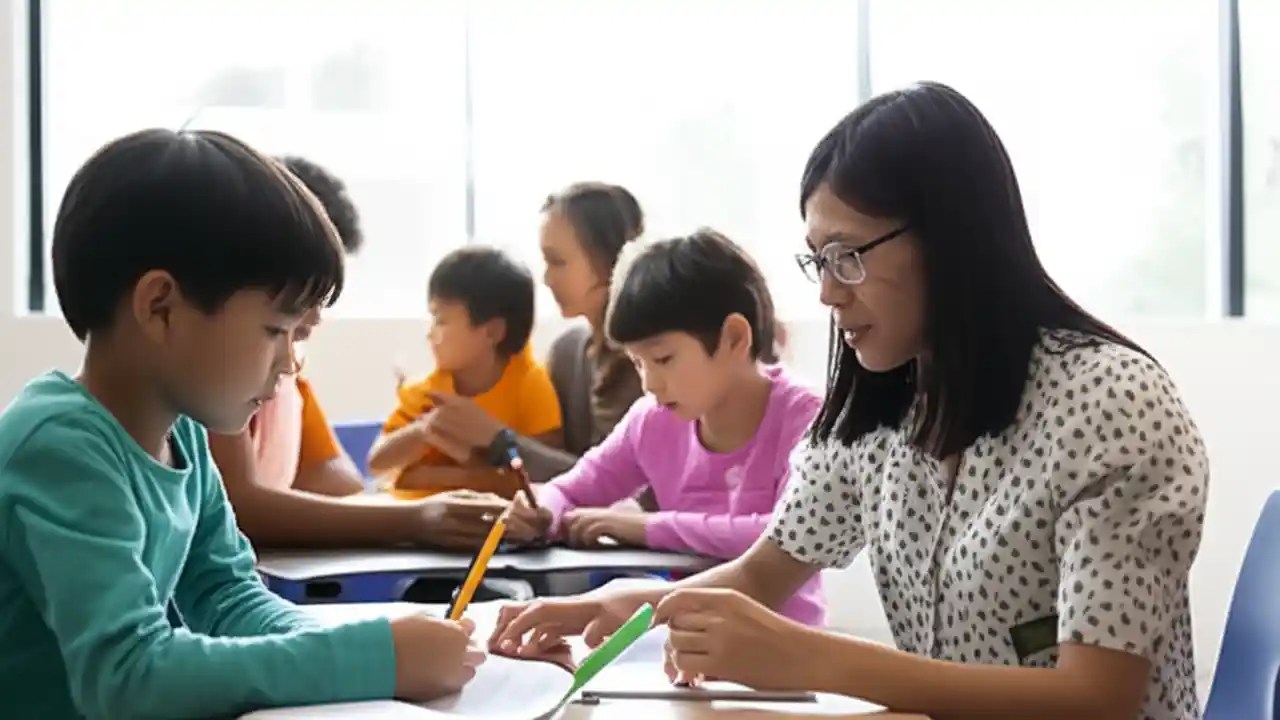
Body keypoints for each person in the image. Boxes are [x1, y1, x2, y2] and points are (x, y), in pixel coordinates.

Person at [488, 82, 1208, 720]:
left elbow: (1097, 698)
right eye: (818, 260)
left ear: (950, 240)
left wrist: (813, 658)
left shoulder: (1110, 403)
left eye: (848, 255)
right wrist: (624, 609)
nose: (829, 291)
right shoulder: (880, 405)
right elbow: (766, 570)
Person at [0, 129, 484, 719]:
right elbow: (125, 676)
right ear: (160, 307)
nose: (289, 363)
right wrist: (370, 658)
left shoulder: (186, 440)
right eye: (274, 331)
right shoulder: (60, 446)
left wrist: (368, 650)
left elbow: (227, 597)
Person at [504, 229, 824, 625]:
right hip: (681, 643)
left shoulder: (805, 418)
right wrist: (542, 513)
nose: (650, 383)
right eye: (638, 364)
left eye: (663, 359)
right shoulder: (653, 419)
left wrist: (648, 527)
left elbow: (781, 538)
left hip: (782, 649)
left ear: (734, 338)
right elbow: (571, 487)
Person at [208, 155, 511, 550]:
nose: (315, 315)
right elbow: (239, 505)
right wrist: (416, 518)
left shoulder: (288, 381)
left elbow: (339, 482)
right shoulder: (215, 372)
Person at [415, 183, 646, 485]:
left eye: (558, 262)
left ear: (612, 261)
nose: (547, 279)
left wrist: (497, 438)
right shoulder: (567, 352)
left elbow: (620, 486)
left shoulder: (647, 363)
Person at [367, 246, 562, 499]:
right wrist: (427, 430)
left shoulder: (529, 384)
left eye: (441, 320)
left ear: (492, 332)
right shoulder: (429, 391)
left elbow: (549, 474)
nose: (430, 333)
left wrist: (449, 471)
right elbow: (376, 464)